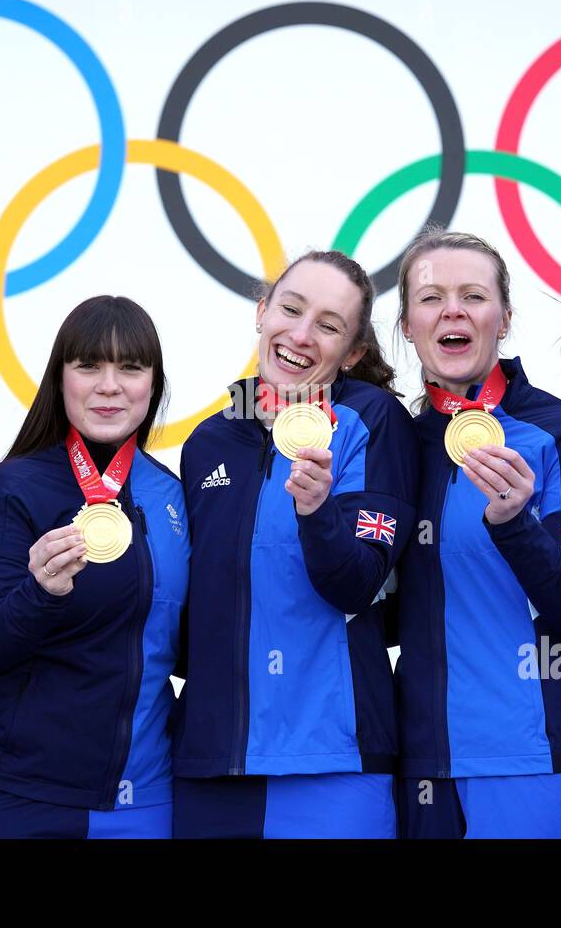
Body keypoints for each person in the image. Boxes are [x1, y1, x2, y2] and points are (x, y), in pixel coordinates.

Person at [172, 250, 418, 838]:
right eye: (291, 308)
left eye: (329, 326)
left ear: (353, 353)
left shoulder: (372, 419)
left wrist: (316, 515)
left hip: (331, 760)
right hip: (211, 764)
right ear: (262, 311)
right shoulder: (209, 440)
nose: (301, 335)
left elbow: (357, 582)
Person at [392, 230, 561, 838]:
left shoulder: (559, 434)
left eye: (473, 296)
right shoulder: (397, 443)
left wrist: (516, 525)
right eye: (432, 298)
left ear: (505, 319)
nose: (453, 311)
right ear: (408, 324)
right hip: (423, 770)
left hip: (535, 763)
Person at [0, 296, 188, 839]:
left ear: (154, 384)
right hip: (18, 797)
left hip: (144, 800)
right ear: (60, 379)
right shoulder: (9, 490)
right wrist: (40, 594)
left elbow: (187, 647)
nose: (109, 385)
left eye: (130, 367)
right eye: (88, 366)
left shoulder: (172, 496)